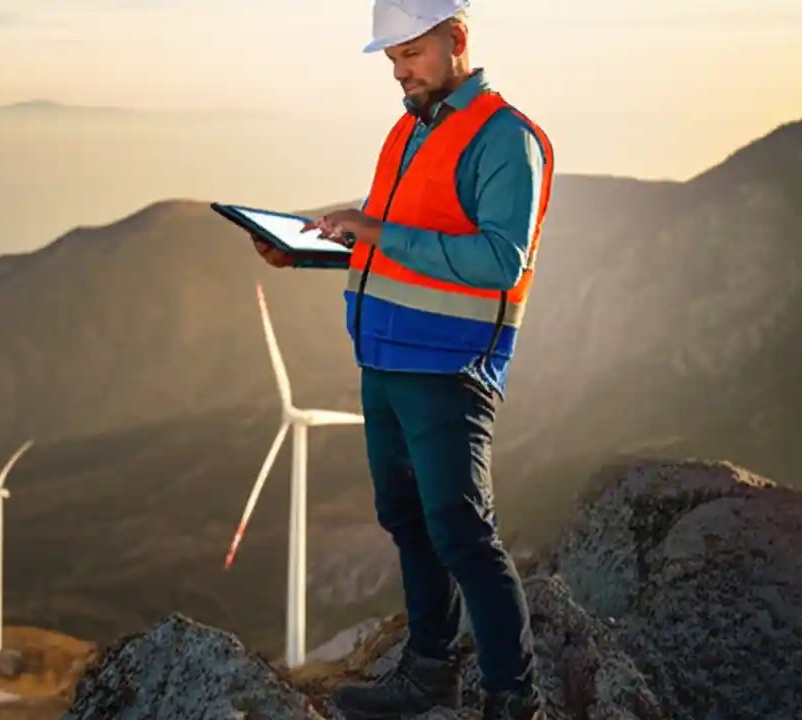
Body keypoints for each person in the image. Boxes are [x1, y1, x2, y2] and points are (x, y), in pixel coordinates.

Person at [250, 1, 554, 718]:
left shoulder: (506, 138)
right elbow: (392, 247)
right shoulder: (412, 130)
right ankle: (429, 673)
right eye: (391, 60)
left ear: (457, 40)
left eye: (410, 54)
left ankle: (516, 700)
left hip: (448, 370)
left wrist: (373, 230)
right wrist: (308, 251)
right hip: (384, 360)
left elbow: (497, 260)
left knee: (463, 533)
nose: (400, 73)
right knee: (407, 521)